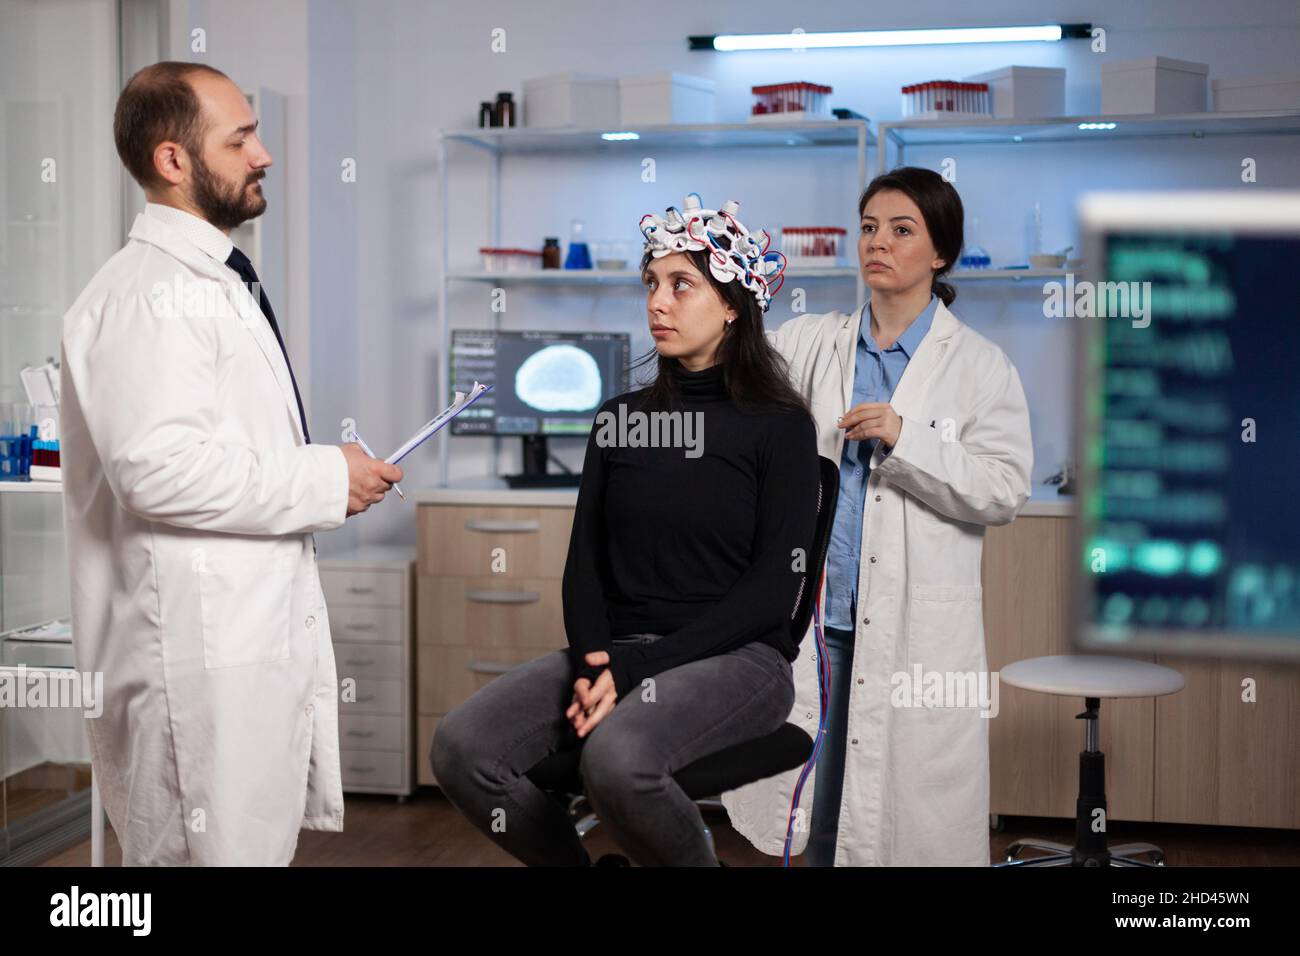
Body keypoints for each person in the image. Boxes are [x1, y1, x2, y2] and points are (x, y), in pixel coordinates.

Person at [60, 61, 402, 865]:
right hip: (191, 663)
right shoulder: (148, 295)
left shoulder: (213, 280)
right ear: (174, 161)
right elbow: (156, 470)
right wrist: (326, 478)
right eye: (241, 137)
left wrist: (327, 476)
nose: (265, 154)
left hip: (236, 650)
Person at [432, 195, 819, 866]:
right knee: (463, 748)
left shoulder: (778, 426)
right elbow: (585, 564)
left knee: (616, 759)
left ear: (733, 304)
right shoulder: (620, 418)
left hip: (738, 660)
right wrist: (594, 662)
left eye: (681, 284)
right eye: (651, 284)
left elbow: (767, 595)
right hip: (616, 653)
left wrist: (632, 668)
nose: (657, 303)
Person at [722, 167, 1034, 866]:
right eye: (868, 228)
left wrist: (907, 438)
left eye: (901, 230)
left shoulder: (981, 369)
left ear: (941, 253)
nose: (878, 243)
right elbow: (734, 389)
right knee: (816, 810)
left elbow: (1004, 489)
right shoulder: (808, 344)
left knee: (899, 822)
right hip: (816, 626)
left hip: (911, 630)